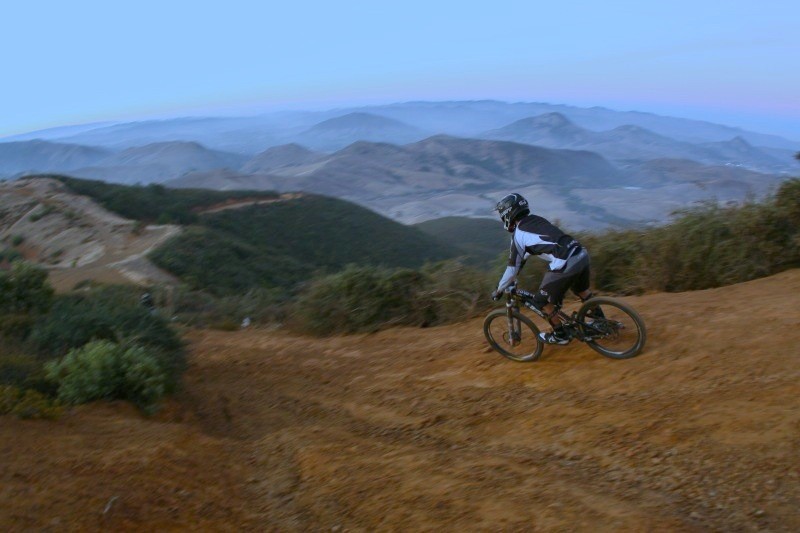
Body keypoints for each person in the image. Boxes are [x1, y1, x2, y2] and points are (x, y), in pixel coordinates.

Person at [491, 193, 602, 345]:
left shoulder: (518, 235)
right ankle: (601, 321)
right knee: (582, 290)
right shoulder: (537, 219)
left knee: (540, 301)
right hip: (580, 252)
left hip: (565, 262)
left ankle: (560, 334)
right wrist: (513, 275)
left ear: (508, 214)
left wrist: (499, 289)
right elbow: (525, 256)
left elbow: (512, 268)